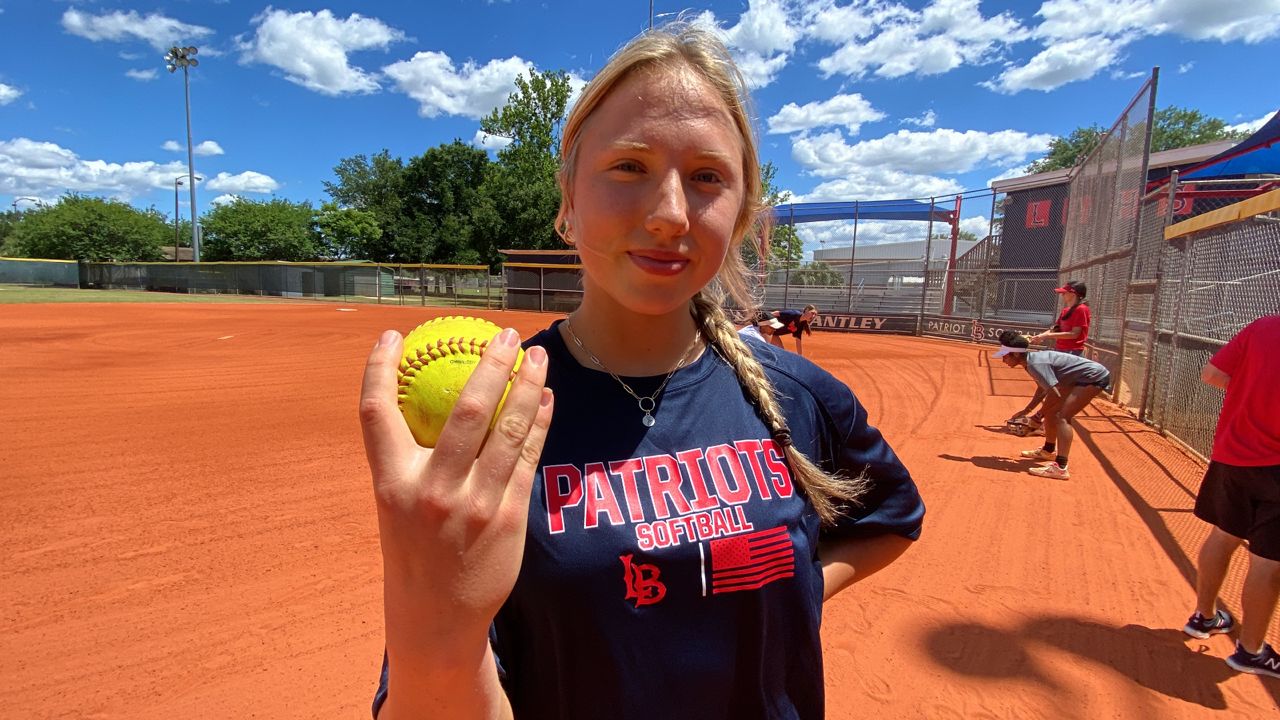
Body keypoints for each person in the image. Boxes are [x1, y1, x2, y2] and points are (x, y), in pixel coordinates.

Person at [359, 23, 925, 720]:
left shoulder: (795, 394)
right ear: (568, 198)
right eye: (629, 166)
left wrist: (798, 587)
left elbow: (891, 518)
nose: (669, 215)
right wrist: (436, 625)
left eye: (708, 177)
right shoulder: (497, 414)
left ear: (741, 214)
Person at [1182, 315, 1280, 678]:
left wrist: (1253, 393)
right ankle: (1251, 652)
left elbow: (1211, 374)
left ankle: (1204, 617)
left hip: (1232, 454)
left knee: (1224, 535)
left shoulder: (1263, 326)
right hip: (1275, 468)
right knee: (1268, 561)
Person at [994, 330, 1111, 480]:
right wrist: (1027, 410)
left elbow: (1055, 394)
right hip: (1075, 378)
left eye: (1005, 355)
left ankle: (1061, 468)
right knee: (1051, 414)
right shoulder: (1030, 362)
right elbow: (1042, 388)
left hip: (1093, 377)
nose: (1003, 360)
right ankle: (1048, 451)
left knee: (1063, 417)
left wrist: (1037, 416)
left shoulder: (1035, 364)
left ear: (1016, 354)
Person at [1031, 281, 1090, 355]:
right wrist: (1040, 336)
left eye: (1064, 293)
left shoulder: (1081, 309)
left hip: (1073, 352)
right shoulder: (1065, 310)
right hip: (1060, 349)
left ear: (1073, 294)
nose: (1062, 295)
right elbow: (1056, 328)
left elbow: (1074, 334)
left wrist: (1047, 335)